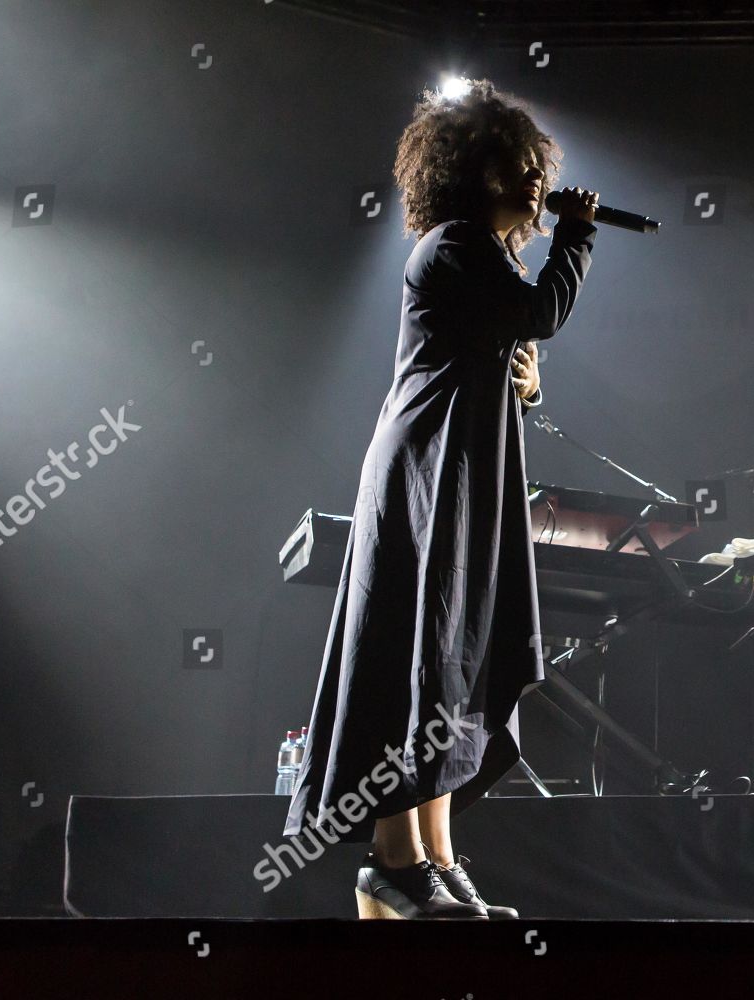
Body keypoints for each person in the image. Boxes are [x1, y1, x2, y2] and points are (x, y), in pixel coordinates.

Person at [284, 79, 599, 919]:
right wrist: (576, 235)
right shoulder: (453, 243)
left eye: (537, 164)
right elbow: (541, 311)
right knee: (412, 658)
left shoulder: (485, 259)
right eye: (513, 162)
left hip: (463, 475)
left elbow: (501, 354)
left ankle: (439, 858)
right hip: (423, 476)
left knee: (455, 663)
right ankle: (393, 862)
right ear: (469, 170)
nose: (534, 179)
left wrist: (524, 386)